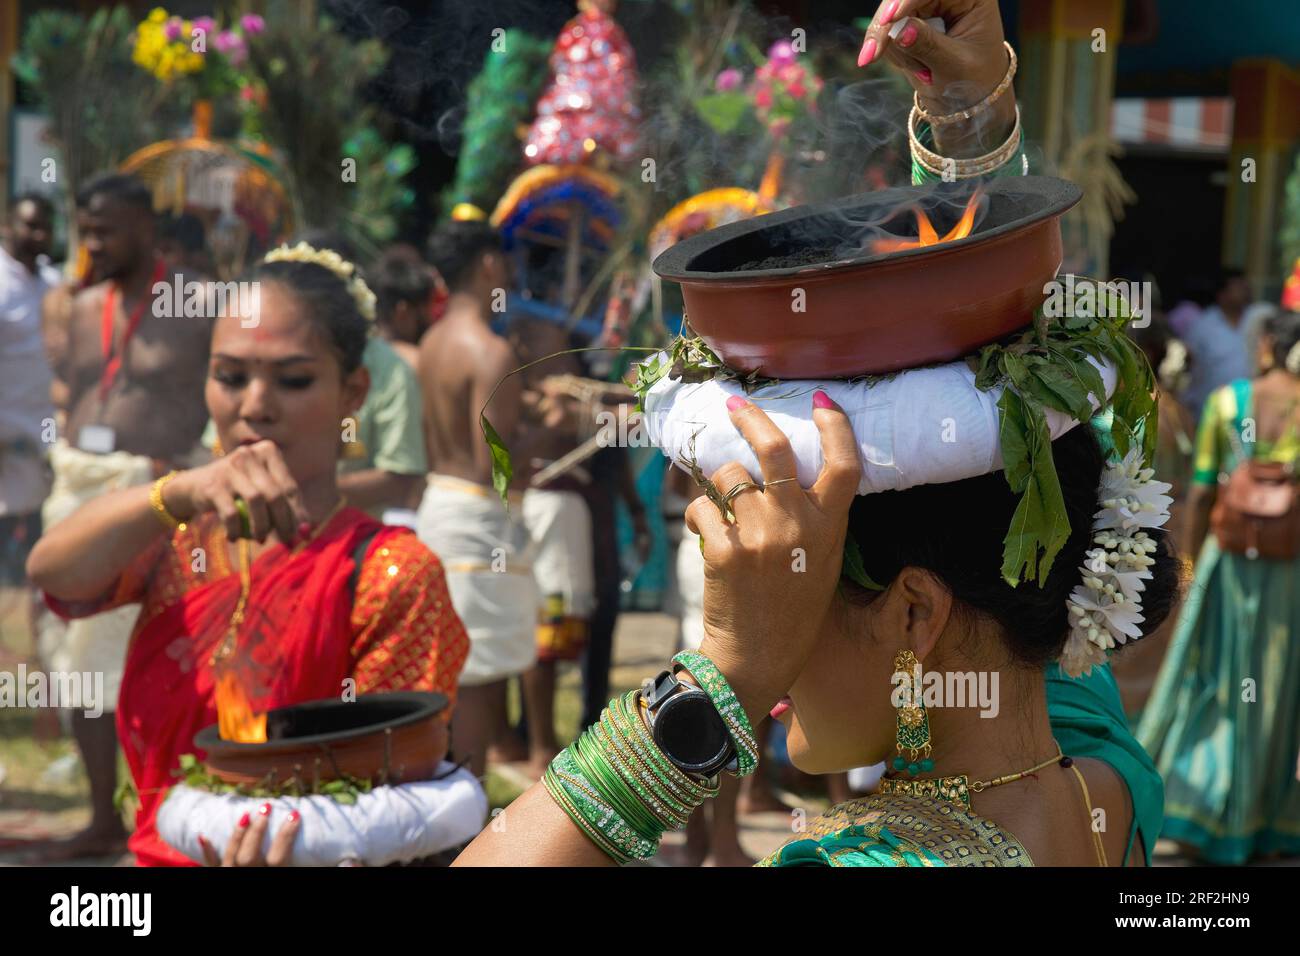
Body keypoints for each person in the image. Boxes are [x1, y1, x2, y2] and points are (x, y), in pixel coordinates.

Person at [454, 0, 1177, 868]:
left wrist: (731, 668)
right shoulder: (1102, 780)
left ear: (915, 611)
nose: (744, 615)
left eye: (780, 587)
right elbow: (1004, 571)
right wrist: (970, 138)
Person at [26, 242, 470, 866]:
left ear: (354, 392)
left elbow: (387, 789)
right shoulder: (177, 534)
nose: (255, 405)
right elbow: (54, 571)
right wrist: (181, 491)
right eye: (230, 377)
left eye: (293, 380)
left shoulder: (389, 571)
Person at [29, 172, 210, 862]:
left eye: (107, 229)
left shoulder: (193, 304)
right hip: (77, 489)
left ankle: (158, 812)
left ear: (145, 227)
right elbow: (72, 393)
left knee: (138, 657)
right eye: (88, 229)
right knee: (70, 661)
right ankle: (104, 814)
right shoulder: (77, 307)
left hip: (150, 495)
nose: (94, 243)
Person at [1137, 310, 1300, 864]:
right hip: (1288, 570)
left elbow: (1204, 489)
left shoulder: (1229, 402)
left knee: (1213, 676)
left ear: (1264, 349)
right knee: (1272, 687)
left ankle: (1197, 804)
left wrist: (1186, 561)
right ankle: (1263, 818)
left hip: (1227, 561)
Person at [418, 219, 536, 778]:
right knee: (476, 673)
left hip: (436, 507)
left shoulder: (430, 343)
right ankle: (463, 811)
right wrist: (555, 429)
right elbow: (497, 464)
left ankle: (459, 802)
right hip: (473, 516)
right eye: (504, 263)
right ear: (489, 265)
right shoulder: (490, 351)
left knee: (460, 668)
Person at [0, 194, 60, 590]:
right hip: (4, 439)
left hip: (45, 436)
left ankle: (26, 647)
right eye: (29, 225)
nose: (37, 235)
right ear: (8, 225)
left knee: (38, 553)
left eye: (45, 227)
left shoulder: (54, 284)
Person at [370, 243, 437, 369]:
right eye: (425, 310)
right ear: (403, 312)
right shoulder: (417, 363)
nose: (430, 318)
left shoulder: (354, 356)